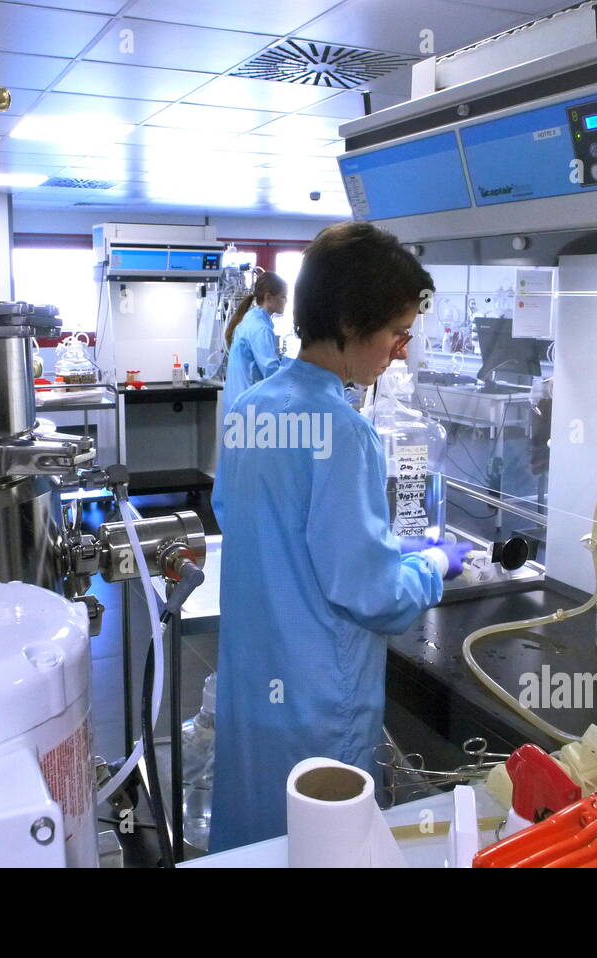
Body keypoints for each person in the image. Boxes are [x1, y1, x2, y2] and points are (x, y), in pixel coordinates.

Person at [209, 222, 472, 851]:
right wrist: (432, 563)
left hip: (254, 680)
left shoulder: (251, 408)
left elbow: (247, 515)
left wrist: (376, 542)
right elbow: (372, 594)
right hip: (318, 698)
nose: (399, 351)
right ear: (352, 325)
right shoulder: (344, 430)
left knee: (260, 839)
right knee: (325, 846)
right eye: (396, 333)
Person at [219, 270, 288, 416]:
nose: (286, 301)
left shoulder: (251, 319)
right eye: (283, 296)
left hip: (237, 404)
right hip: (248, 408)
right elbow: (271, 371)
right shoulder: (260, 328)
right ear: (269, 297)